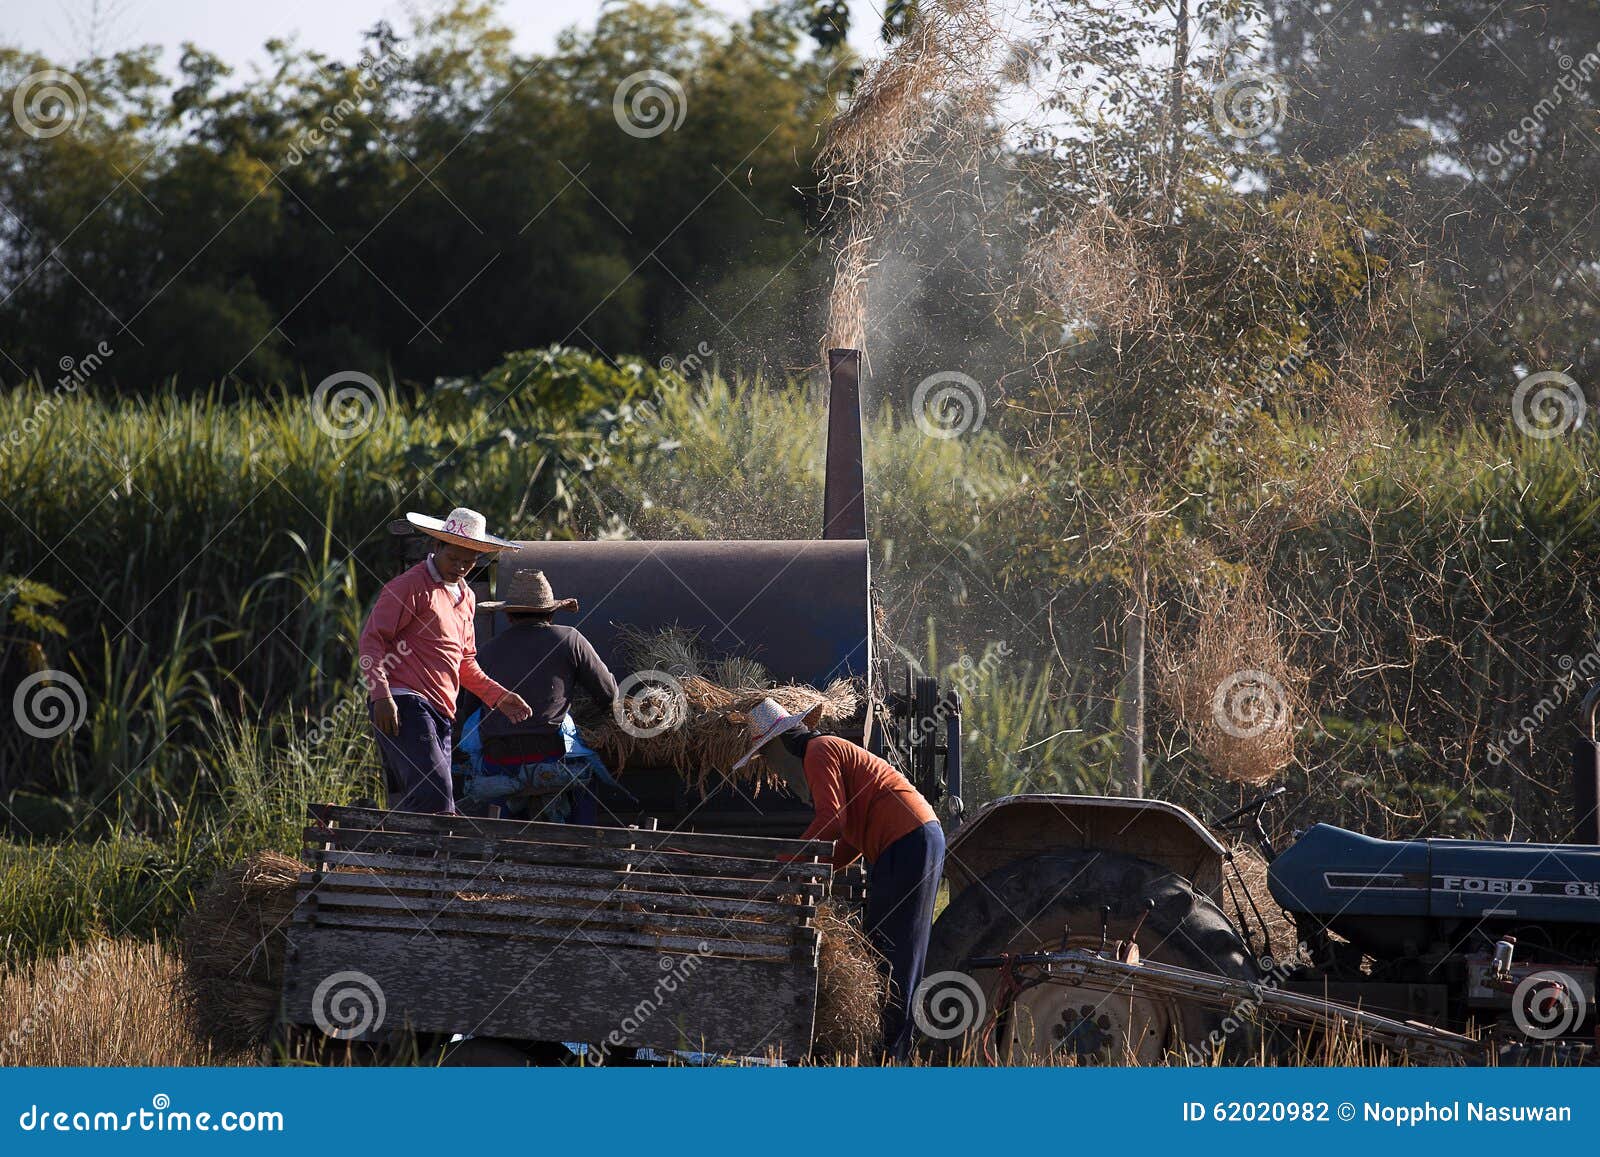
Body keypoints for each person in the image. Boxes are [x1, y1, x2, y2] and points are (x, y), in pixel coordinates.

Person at [733, 699, 945, 1059]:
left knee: (893, 952)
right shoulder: (828, 752)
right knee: (889, 945)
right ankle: (889, 1051)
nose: (773, 770)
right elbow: (848, 839)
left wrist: (784, 867)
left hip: (909, 840)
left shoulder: (819, 751)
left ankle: (889, 1056)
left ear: (782, 744)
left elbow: (831, 820)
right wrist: (810, 874)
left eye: (768, 757)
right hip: (912, 839)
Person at [357, 507, 532, 814]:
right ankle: (415, 858)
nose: (461, 567)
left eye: (468, 561)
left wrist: (499, 696)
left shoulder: (467, 599)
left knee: (436, 800)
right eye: (454, 559)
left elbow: (465, 663)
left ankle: (408, 858)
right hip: (404, 703)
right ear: (436, 547)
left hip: (442, 713)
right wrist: (381, 695)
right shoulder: (410, 586)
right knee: (436, 792)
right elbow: (372, 640)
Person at [468, 568, 619, 823]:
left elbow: (468, 710)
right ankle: (583, 847)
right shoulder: (570, 639)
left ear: (508, 614)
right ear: (551, 612)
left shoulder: (487, 650)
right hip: (551, 756)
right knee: (587, 783)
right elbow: (609, 694)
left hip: (498, 760)